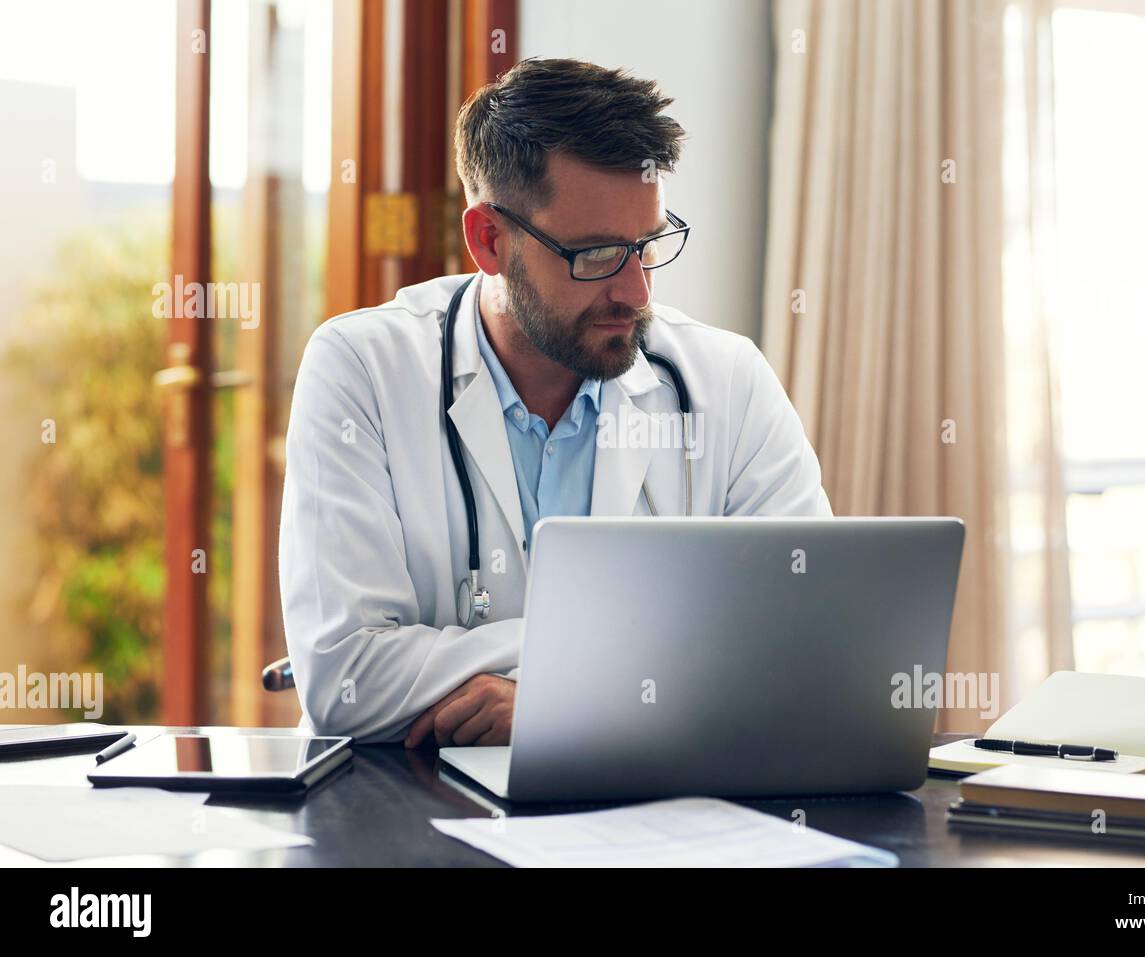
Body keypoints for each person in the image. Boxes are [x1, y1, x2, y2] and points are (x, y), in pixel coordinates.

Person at [280, 58, 831, 748]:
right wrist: (657, 669)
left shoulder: (728, 382)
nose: (637, 293)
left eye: (648, 244)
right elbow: (347, 677)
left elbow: (805, 647)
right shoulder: (360, 370)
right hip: (408, 816)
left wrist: (557, 700)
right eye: (597, 254)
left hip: (649, 814)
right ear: (489, 240)